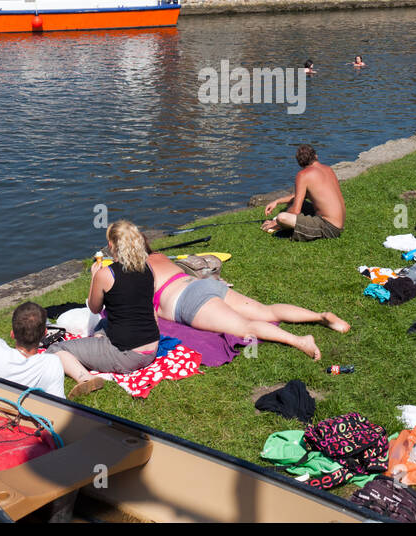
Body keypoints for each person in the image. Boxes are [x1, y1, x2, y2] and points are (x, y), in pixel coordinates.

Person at [146, 249, 348, 362]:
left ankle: (299, 340)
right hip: (201, 285)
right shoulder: (159, 256)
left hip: (188, 301)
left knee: (246, 327)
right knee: (266, 311)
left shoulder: (133, 271)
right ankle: (320, 316)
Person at [44, 220, 161, 397]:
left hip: (127, 356)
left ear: (111, 244)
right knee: (102, 326)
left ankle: (85, 378)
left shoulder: (106, 274)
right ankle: (98, 347)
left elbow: (94, 308)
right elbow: (148, 307)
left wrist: (94, 277)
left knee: (56, 350)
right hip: (151, 348)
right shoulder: (148, 267)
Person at [261, 144, 345, 241]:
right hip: (340, 223)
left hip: (329, 228)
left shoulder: (303, 175)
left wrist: (275, 222)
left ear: (300, 163)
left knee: (282, 217)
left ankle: (282, 226)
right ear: (316, 156)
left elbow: (295, 211)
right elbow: (299, 197)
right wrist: (277, 201)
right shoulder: (328, 169)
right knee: (294, 203)